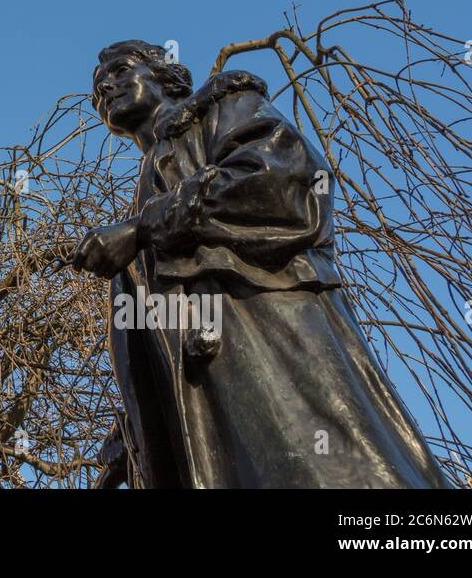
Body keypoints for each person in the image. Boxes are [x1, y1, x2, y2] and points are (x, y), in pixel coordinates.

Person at [71, 39, 450, 488]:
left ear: (164, 76)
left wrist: (140, 230)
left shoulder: (224, 107)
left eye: (119, 71)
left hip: (272, 344)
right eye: (97, 90)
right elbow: (161, 332)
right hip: (212, 401)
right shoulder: (152, 176)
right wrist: (140, 433)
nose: (105, 90)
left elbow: (282, 181)